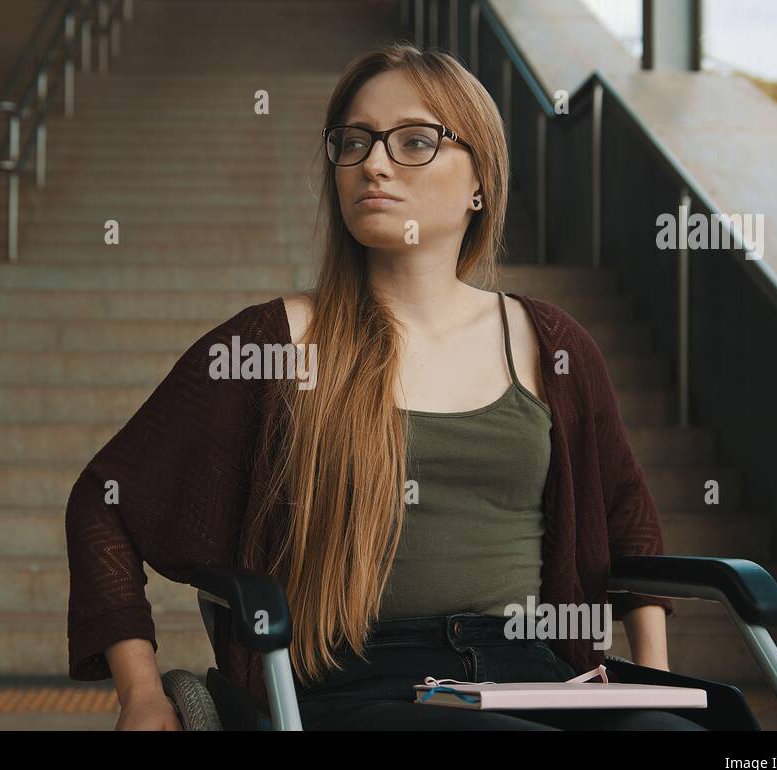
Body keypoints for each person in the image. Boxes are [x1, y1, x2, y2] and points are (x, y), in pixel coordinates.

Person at [65, 41, 702, 730]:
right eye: (356, 141)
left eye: (414, 142)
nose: (373, 162)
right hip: (360, 689)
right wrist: (140, 689)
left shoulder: (551, 345)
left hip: (536, 675)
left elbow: (625, 511)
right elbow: (104, 501)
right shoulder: (278, 342)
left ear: (480, 181)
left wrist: (654, 683)